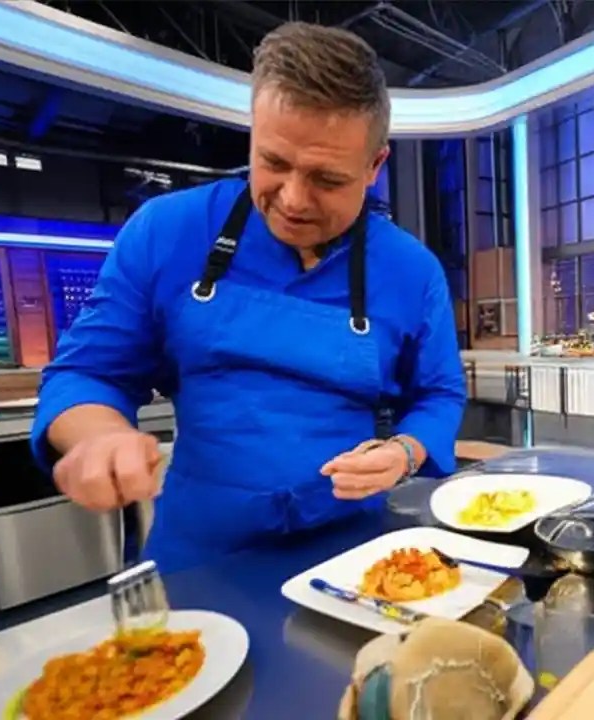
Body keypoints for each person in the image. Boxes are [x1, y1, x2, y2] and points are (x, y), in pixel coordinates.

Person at [31, 22, 468, 570]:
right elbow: (88, 373)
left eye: (327, 179)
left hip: (356, 556)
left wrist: (406, 452)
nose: (292, 200)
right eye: (274, 163)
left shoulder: (411, 270)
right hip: (202, 556)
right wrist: (97, 435)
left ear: (375, 166)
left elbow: (439, 395)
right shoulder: (168, 232)